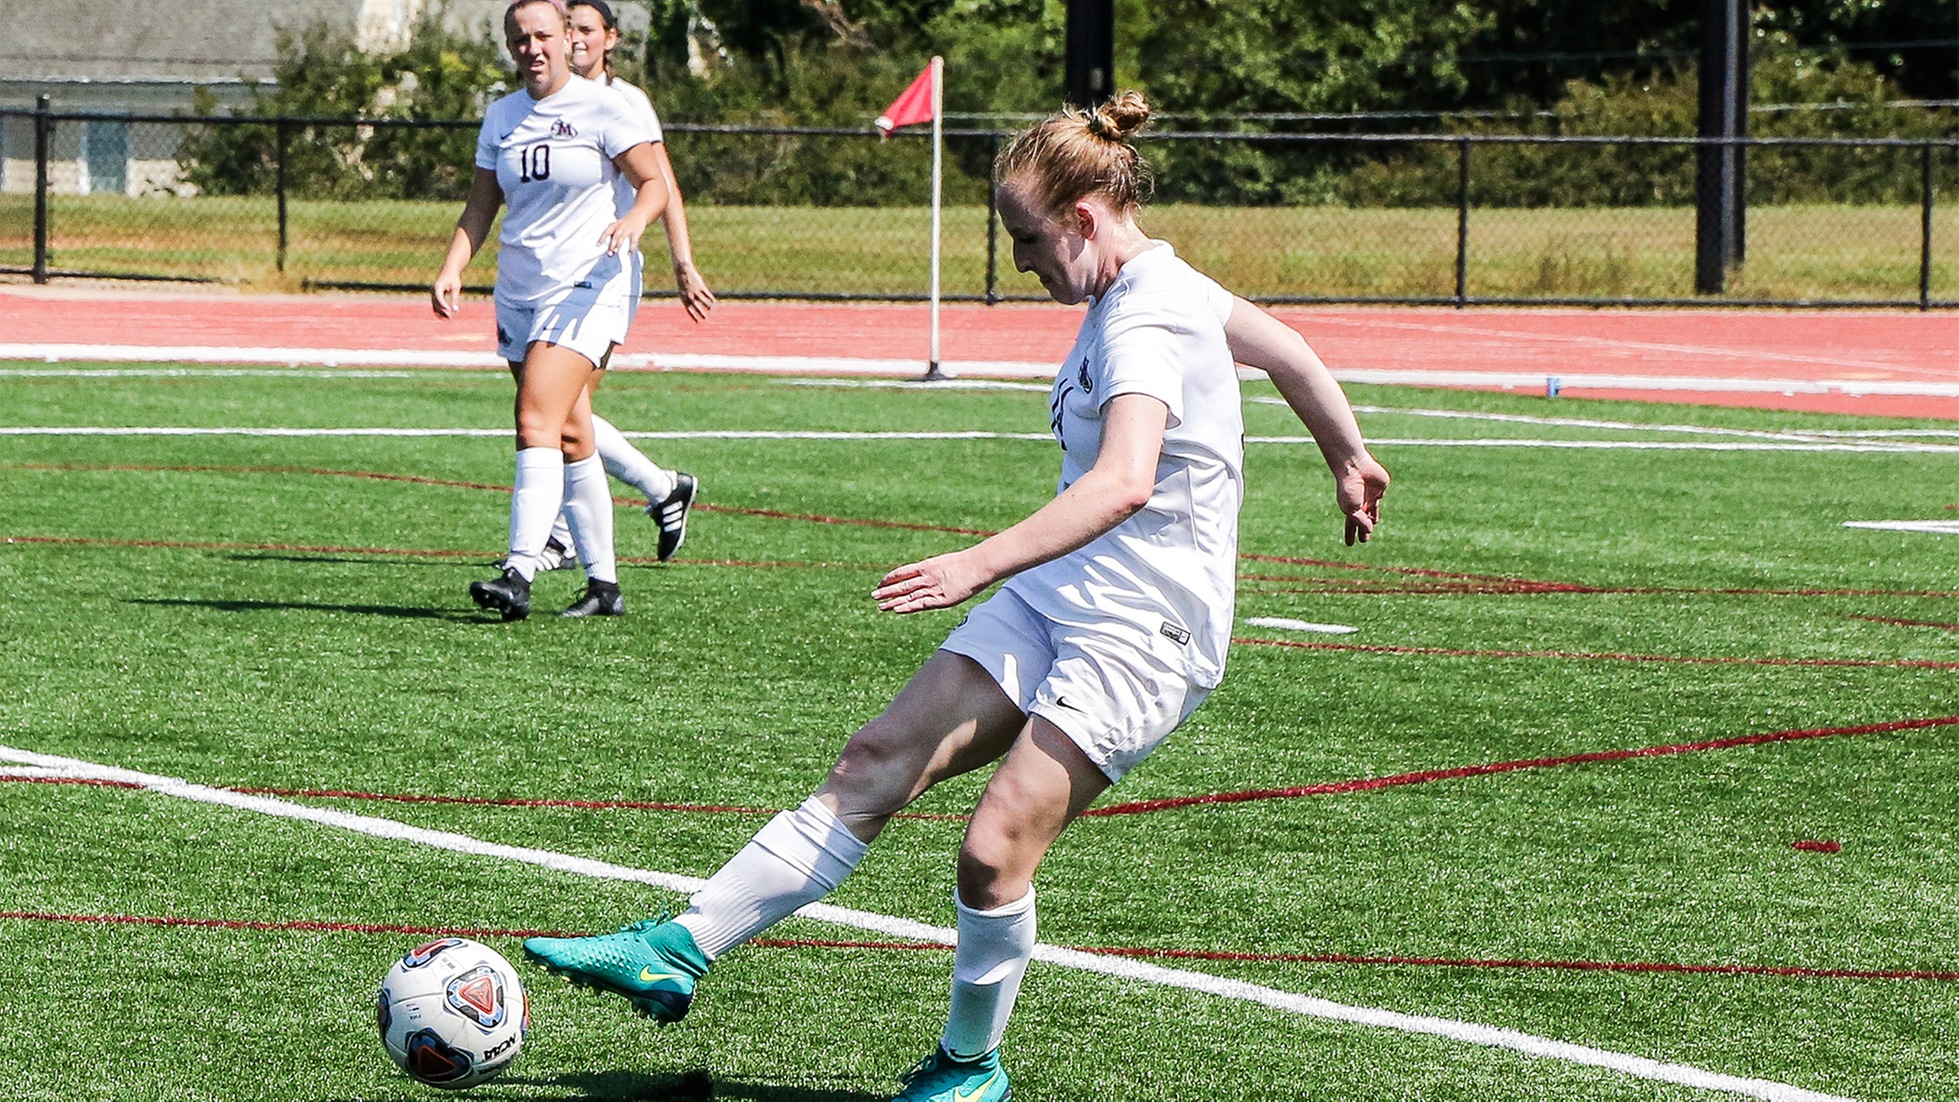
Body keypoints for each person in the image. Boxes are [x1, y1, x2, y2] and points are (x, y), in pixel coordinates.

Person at [523, 92, 1391, 1102]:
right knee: (877, 756)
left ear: (1082, 219)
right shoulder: (1164, 283)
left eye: (1027, 238)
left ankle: (970, 1067)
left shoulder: (1148, 310)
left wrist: (975, 564)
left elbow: (1125, 480)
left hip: (1145, 630)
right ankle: (679, 945)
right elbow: (1285, 346)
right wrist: (1349, 454)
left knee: (991, 855)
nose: (1022, 261)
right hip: (1067, 592)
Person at [433, 0, 670, 620]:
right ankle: (605, 586)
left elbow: (654, 182)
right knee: (570, 432)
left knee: (535, 418)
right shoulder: (502, 117)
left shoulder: (606, 106)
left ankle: (518, 570)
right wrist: (454, 264)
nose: (531, 48)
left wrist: (633, 220)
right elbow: (482, 204)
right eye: (519, 38)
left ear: (568, 39)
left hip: (588, 284)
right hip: (520, 289)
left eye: (542, 35)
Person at [515, 0, 713, 576]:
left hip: (604, 275)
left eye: (584, 29)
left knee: (555, 410)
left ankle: (557, 540)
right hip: (549, 277)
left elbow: (662, 183)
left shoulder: (624, 102)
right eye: (567, 27)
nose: (573, 38)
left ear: (609, 38)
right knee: (566, 411)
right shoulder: (542, 104)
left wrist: (683, 261)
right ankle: (658, 489)